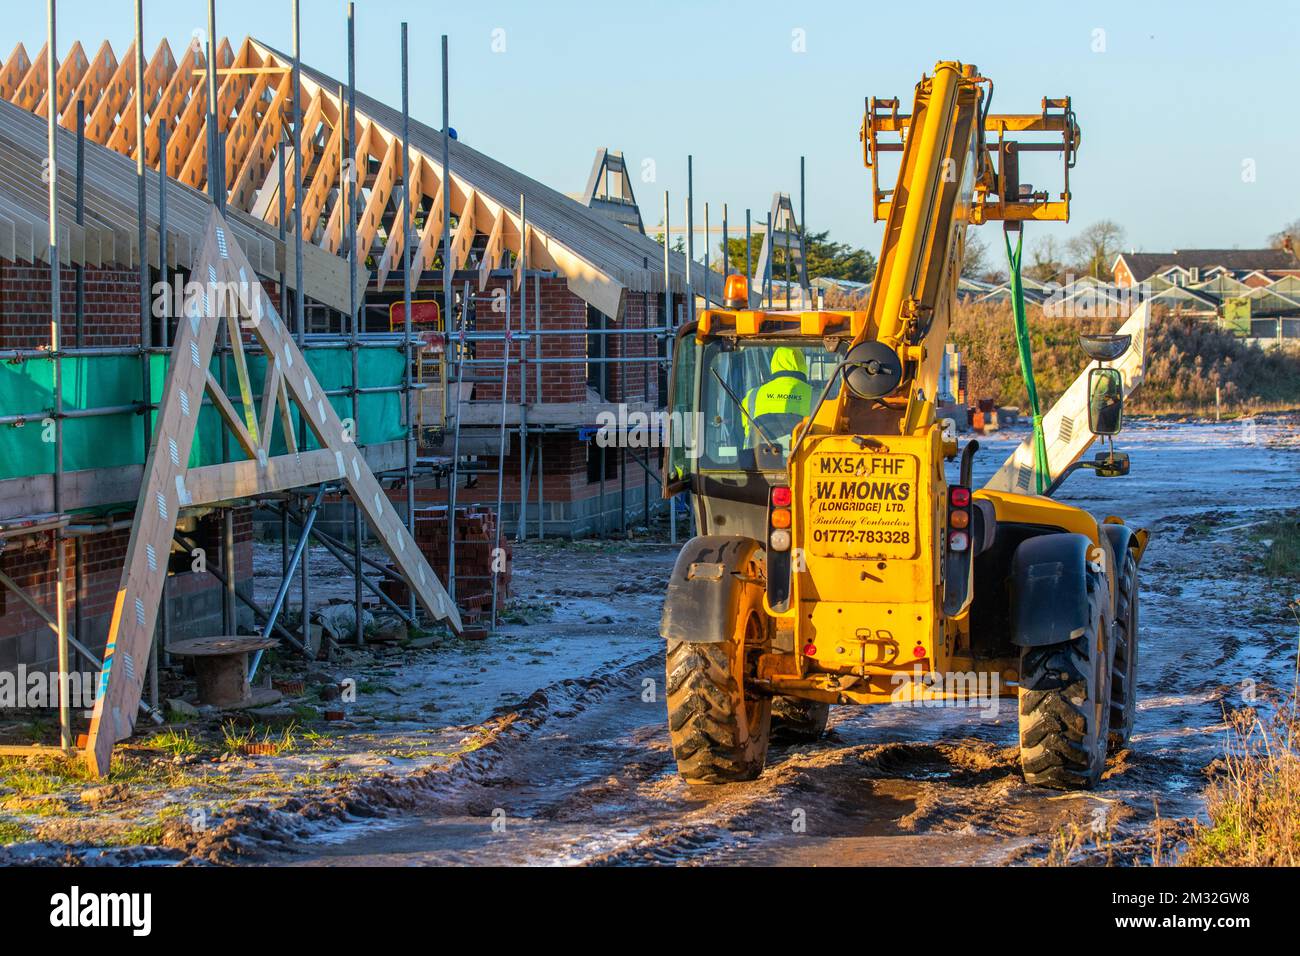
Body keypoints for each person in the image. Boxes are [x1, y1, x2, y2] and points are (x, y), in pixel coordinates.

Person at [741, 347, 813, 448]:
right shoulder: (818, 396)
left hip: (758, 461)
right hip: (805, 460)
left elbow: (746, 429)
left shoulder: (752, 395)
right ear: (802, 364)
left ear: (774, 364)